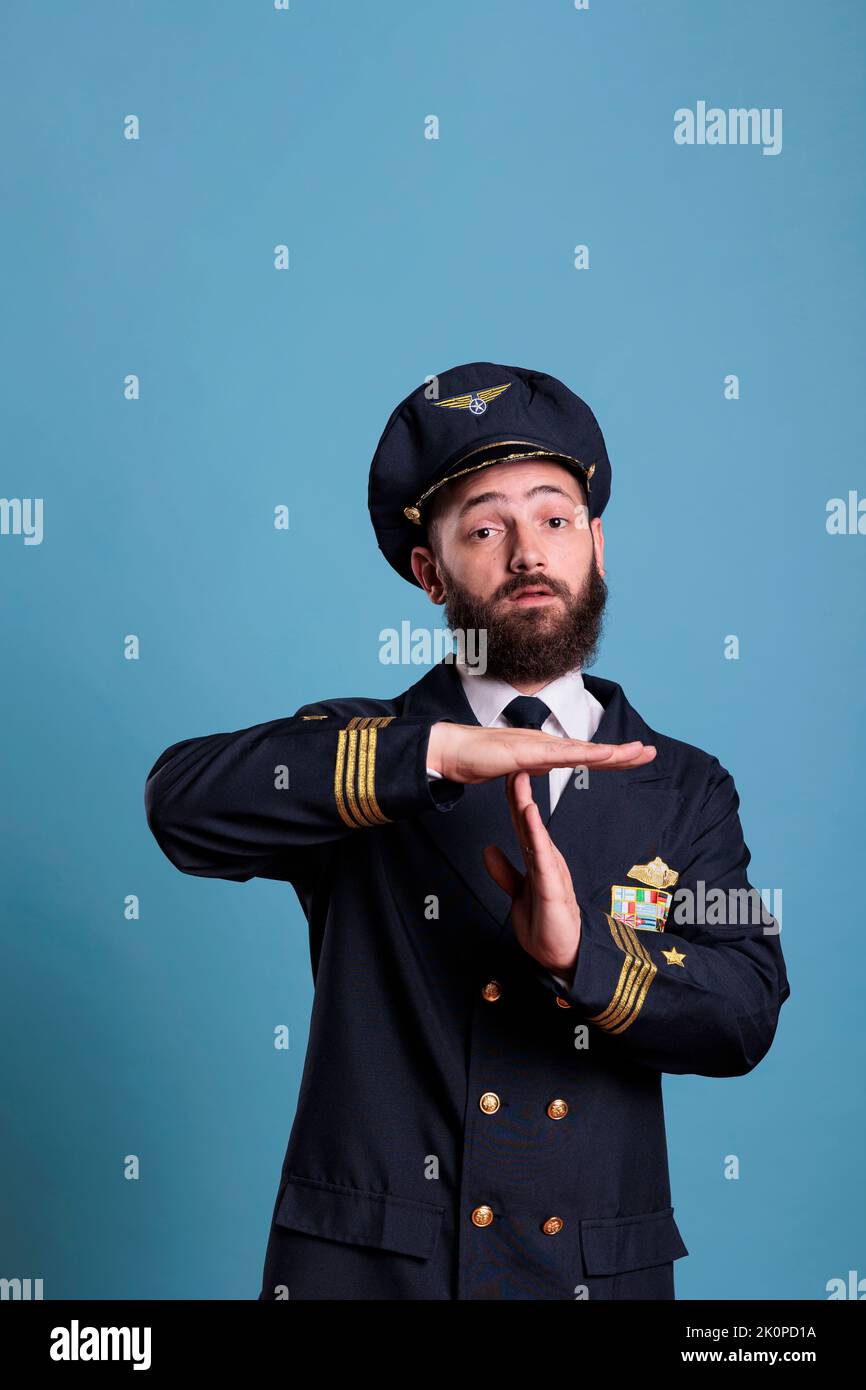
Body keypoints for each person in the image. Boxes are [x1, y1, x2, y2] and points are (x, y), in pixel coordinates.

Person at [144, 361, 790, 1300]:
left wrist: (586, 958)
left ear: (597, 546)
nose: (528, 551)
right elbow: (180, 805)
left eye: (555, 518)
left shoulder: (686, 786)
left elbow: (746, 1011)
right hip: (372, 1275)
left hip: (590, 1277)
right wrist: (434, 756)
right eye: (486, 528)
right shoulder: (359, 747)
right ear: (429, 570)